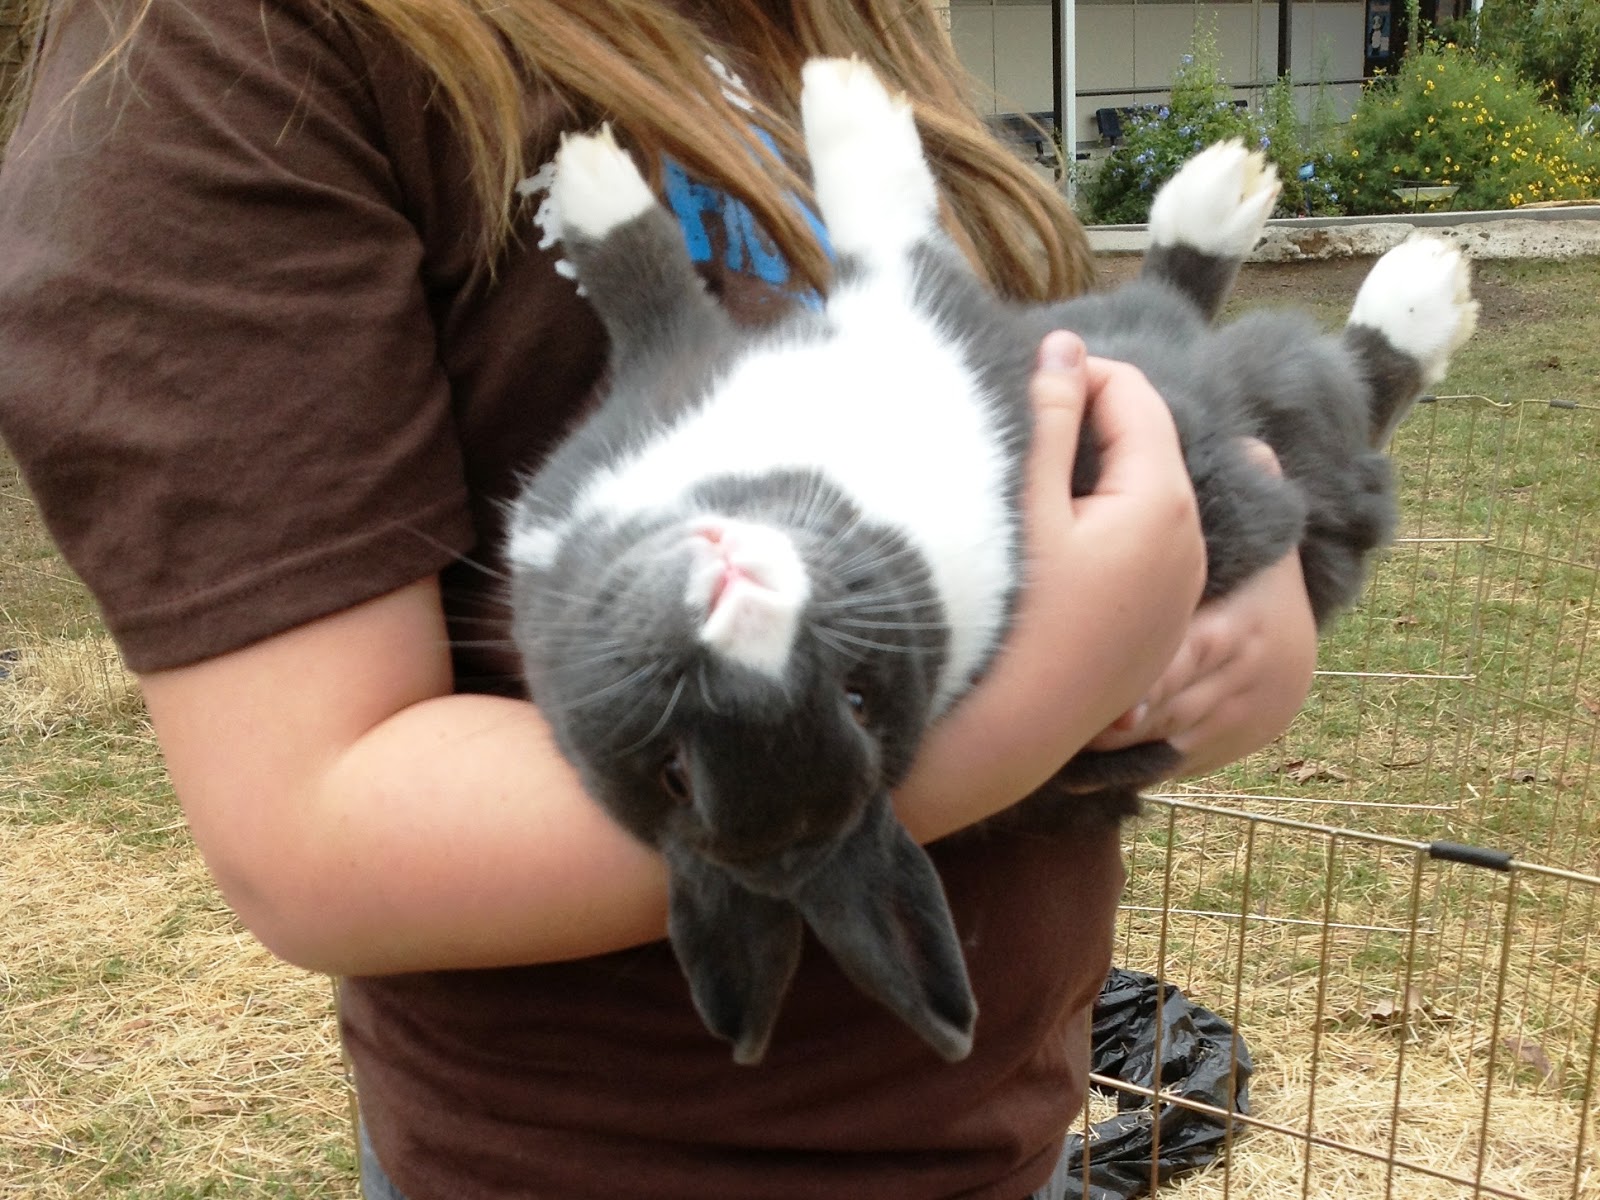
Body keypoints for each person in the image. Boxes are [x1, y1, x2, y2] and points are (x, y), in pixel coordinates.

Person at [0, 2, 1317, 1197]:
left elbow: (1014, 421)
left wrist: (1206, 624)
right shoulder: (226, 54)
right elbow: (312, 820)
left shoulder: (826, 22)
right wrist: (1029, 708)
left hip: (999, 1136)